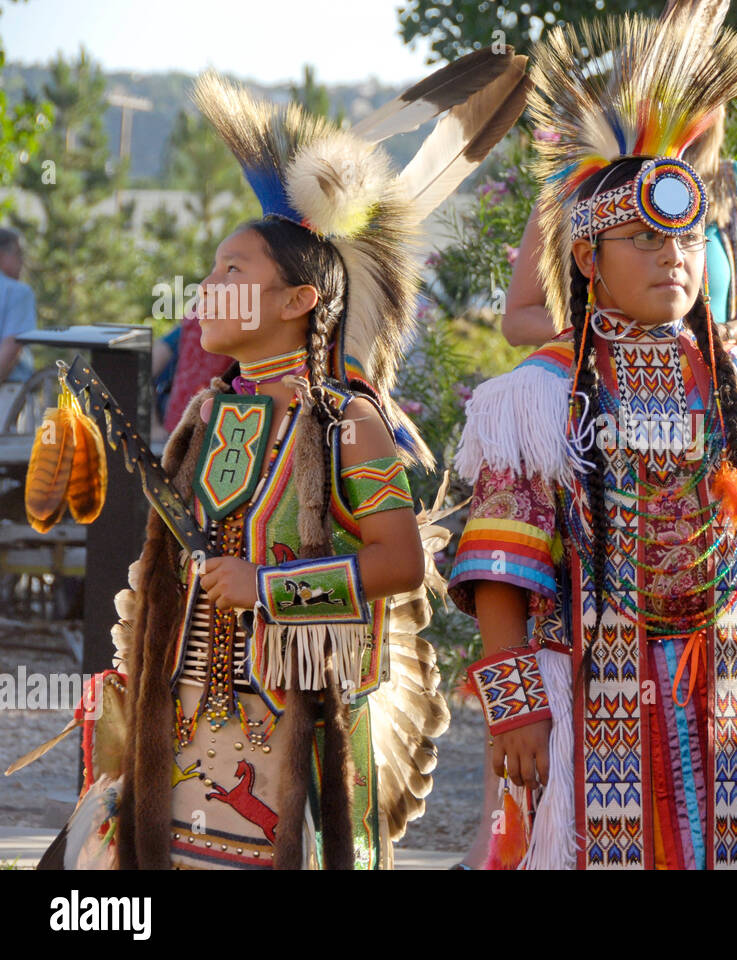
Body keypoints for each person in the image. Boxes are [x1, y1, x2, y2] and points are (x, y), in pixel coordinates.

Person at [51, 51, 529, 869]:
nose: (205, 288)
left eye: (231, 270)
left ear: (301, 300)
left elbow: (402, 562)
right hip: (188, 721)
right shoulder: (212, 414)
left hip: (293, 740)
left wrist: (269, 589)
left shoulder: (349, 421)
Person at [448, 11, 737, 869]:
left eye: (690, 238)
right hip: (585, 673)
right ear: (588, 260)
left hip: (731, 674)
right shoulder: (538, 396)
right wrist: (515, 705)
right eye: (647, 239)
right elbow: (504, 563)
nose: (675, 258)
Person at [500, 6, 737, 353]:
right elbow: (518, 320)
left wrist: (714, 333)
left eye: (694, 88)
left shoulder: (730, 185)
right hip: (596, 385)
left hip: (709, 385)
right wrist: (613, 331)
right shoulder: (573, 187)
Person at [0, 227, 36, 384]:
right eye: (18, 254)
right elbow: (11, 349)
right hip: (9, 391)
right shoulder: (17, 291)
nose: (22, 261)